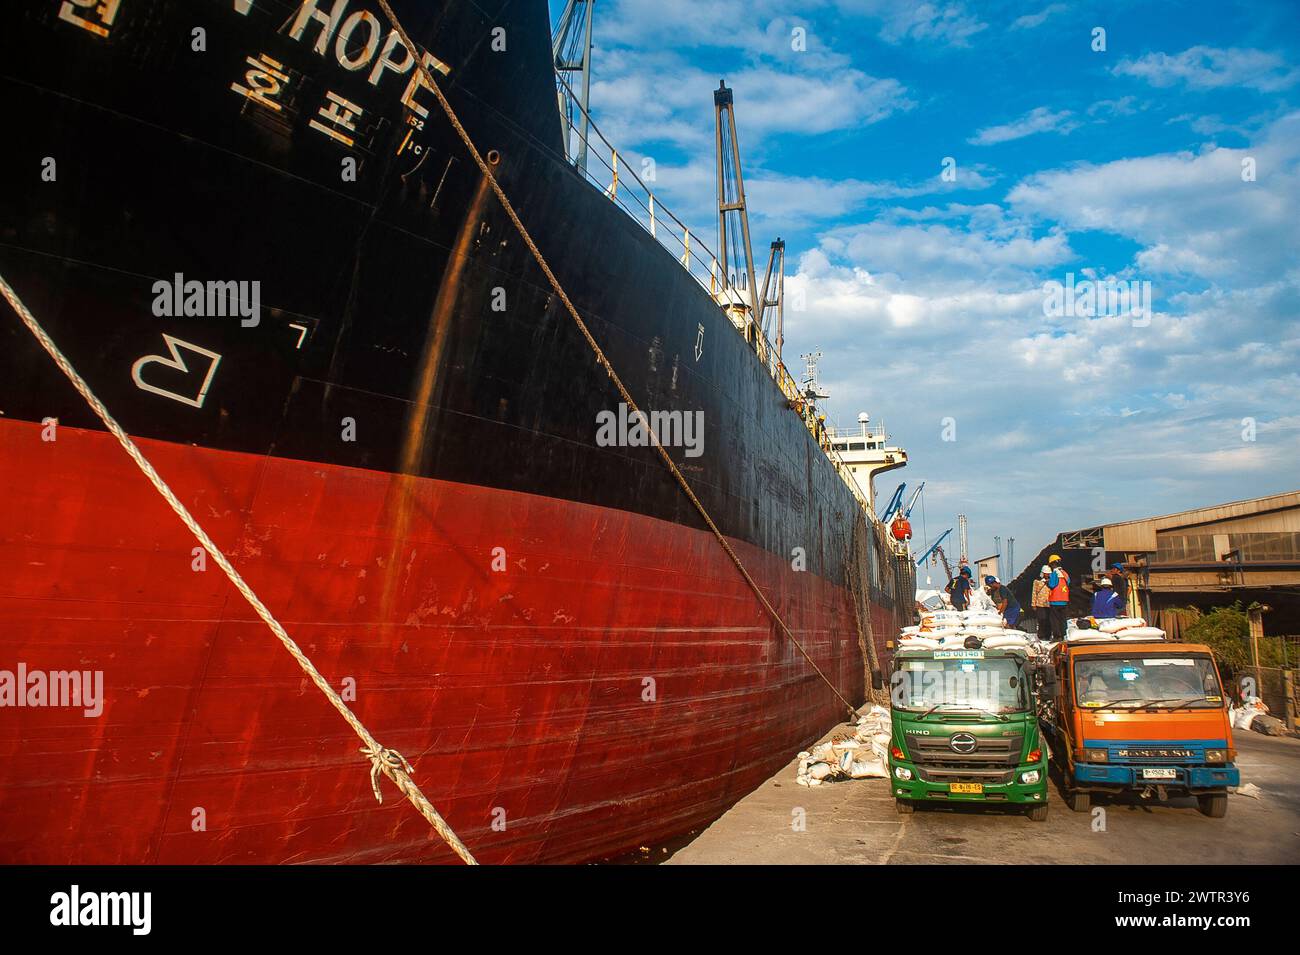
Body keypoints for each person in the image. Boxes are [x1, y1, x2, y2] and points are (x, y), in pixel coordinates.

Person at [1046, 554, 1070, 641]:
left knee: (1055, 619)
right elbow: (1068, 582)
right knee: (1063, 619)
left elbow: (1052, 585)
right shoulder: (1065, 573)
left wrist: (1047, 582)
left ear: (1052, 564)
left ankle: (1057, 636)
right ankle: (1064, 634)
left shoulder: (1054, 574)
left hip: (1055, 600)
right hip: (1064, 600)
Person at [1031, 565, 1051, 635]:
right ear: (1043, 573)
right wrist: (1033, 604)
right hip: (1040, 604)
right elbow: (1034, 592)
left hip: (1049, 604)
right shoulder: (1037, 581)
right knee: (1041, 620)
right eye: (1046, 573)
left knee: (1048, 620)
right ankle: (1041, 635)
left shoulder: (1051, 581)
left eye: (1049, 573)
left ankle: (1048, 635)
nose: (1048, 575)